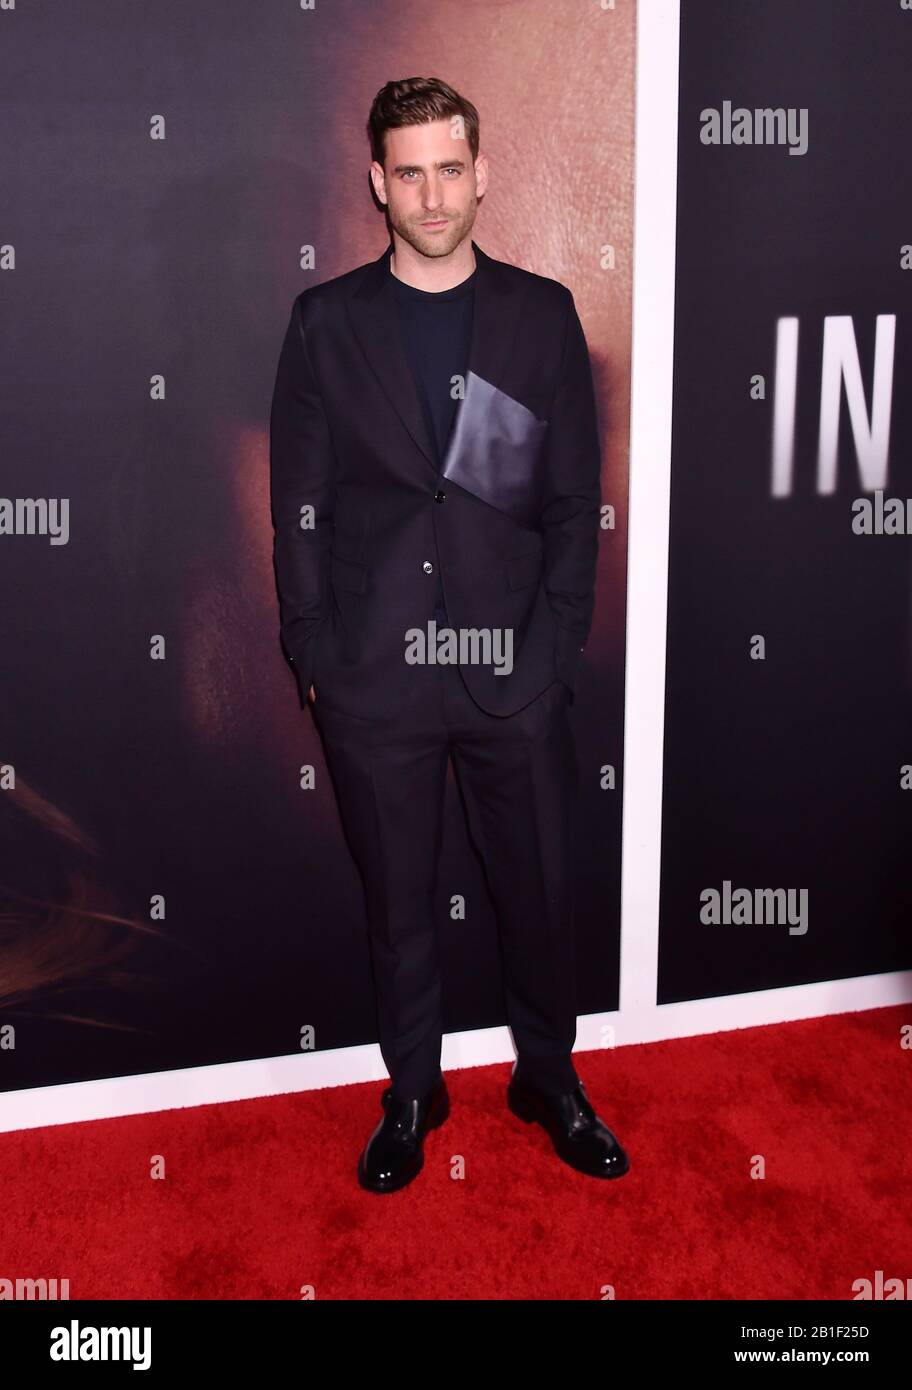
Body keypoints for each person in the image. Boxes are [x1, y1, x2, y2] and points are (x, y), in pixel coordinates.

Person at [269, 77, 629, 1192]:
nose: (431, 194)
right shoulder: (326, 325)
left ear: (483, 174)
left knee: (539, 894)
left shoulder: (541, 313)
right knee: (399, 907)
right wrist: (315, 655)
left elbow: (573, 503)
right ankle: (411, 1092)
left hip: (512, 676)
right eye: (408, 171)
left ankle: (550, 1079)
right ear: (377, 183)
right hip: (374, 679)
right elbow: (300, 505)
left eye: (450, 168)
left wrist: (552, 648)